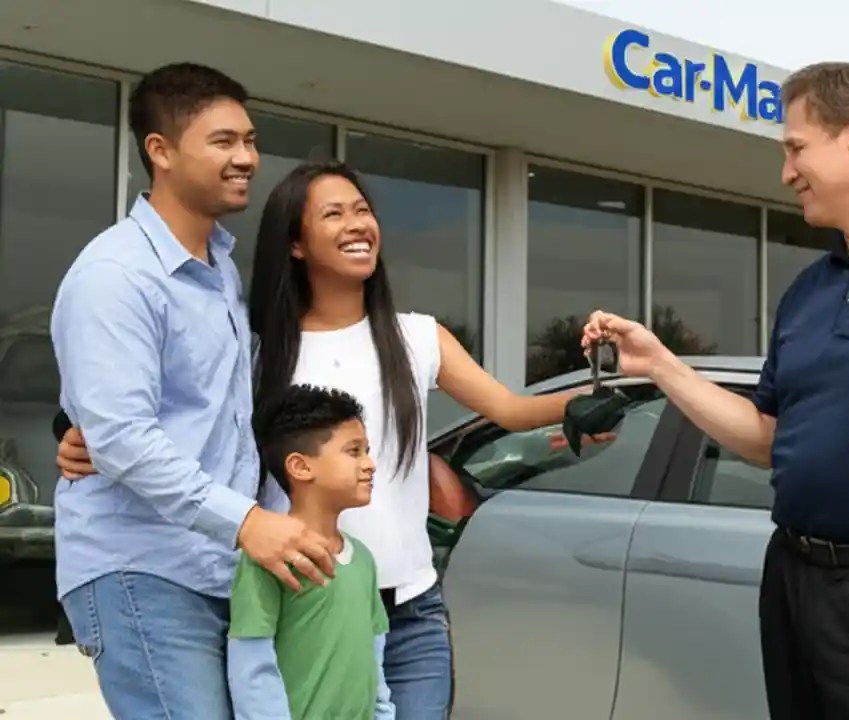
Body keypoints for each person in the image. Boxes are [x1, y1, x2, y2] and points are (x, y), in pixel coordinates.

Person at [56, 158, 606, 717]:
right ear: (296, 243)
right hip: (308, 612)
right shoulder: (261, 353)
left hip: (413, 617)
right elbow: (182, 417)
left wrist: (593, 398)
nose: (357, 225)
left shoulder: (418, 337)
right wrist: (81, 434)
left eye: (363, 211)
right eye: (334, 214)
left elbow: (510, 409)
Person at [581, 61, 849, 719]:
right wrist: (664, 366)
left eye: (795, 148)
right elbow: (767, 440)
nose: (787, 173)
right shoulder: (807, 292)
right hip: (790, 576)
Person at [48, 62, 336, 719]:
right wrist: (249, 522)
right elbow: (122, 439)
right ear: (162, 151)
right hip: (141, 567)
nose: (246, 158)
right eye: (224, 142)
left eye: (251, 141)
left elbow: (219, 425)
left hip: (218, 566)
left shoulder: (219, 276)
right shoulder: (116, 275)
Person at [227, 383, 394, 720]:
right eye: (354, 451)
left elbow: (375, 664)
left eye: (367, 450)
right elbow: (252, 668)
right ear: (301, 467)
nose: (370, 464)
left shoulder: (363, 560)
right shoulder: (268, 558)